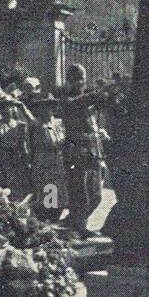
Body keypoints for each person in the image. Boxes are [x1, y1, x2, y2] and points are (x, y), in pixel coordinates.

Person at [58, 63, 105, 236]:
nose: (79, 82)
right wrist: (96, 95)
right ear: (68, 81)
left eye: (82, 78)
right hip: (77, 153)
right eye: (75, 79)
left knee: (97, 195)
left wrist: (107, 94)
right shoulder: (66, 100)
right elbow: (75, 104)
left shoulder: (87, 99)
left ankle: (74, 222)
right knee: (81, 193)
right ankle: (80, 227)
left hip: (94, 152)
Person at [29, 97, 67, 221]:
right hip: (43, 159)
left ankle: (54, 217)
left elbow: (64, 140)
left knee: (57, 190)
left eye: (50, 107)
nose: (47, 110)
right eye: (44, 107)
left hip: (58, 160)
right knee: (46, 189)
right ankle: (45, 218)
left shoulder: (59, 123)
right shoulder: (36, 124)